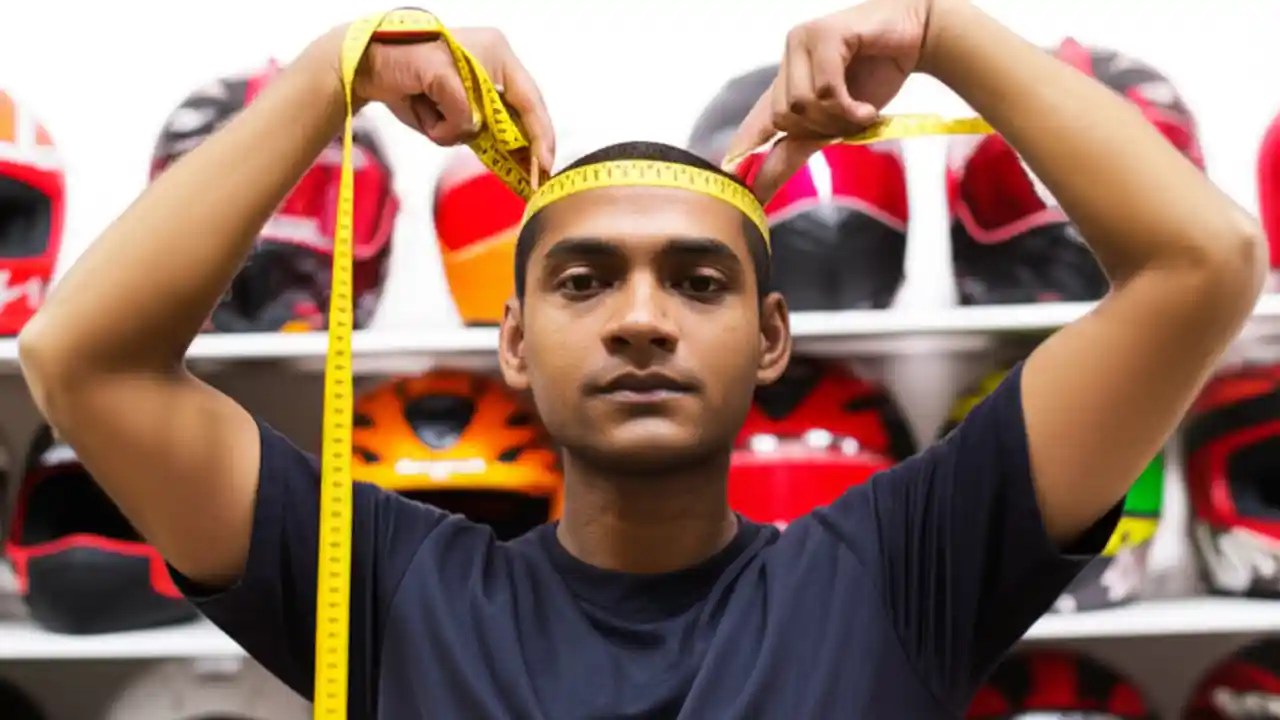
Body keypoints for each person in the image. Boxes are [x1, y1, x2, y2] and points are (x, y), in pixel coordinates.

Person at [15, 0, 1265, 717]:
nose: (640, 316)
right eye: (581, 279)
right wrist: (328, 75)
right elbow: (85, 362)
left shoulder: (896, 570)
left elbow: (1200, 263)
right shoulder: (390, 592)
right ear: (511, 340)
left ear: (769, 337)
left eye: (699, 280)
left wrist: (939, 28)